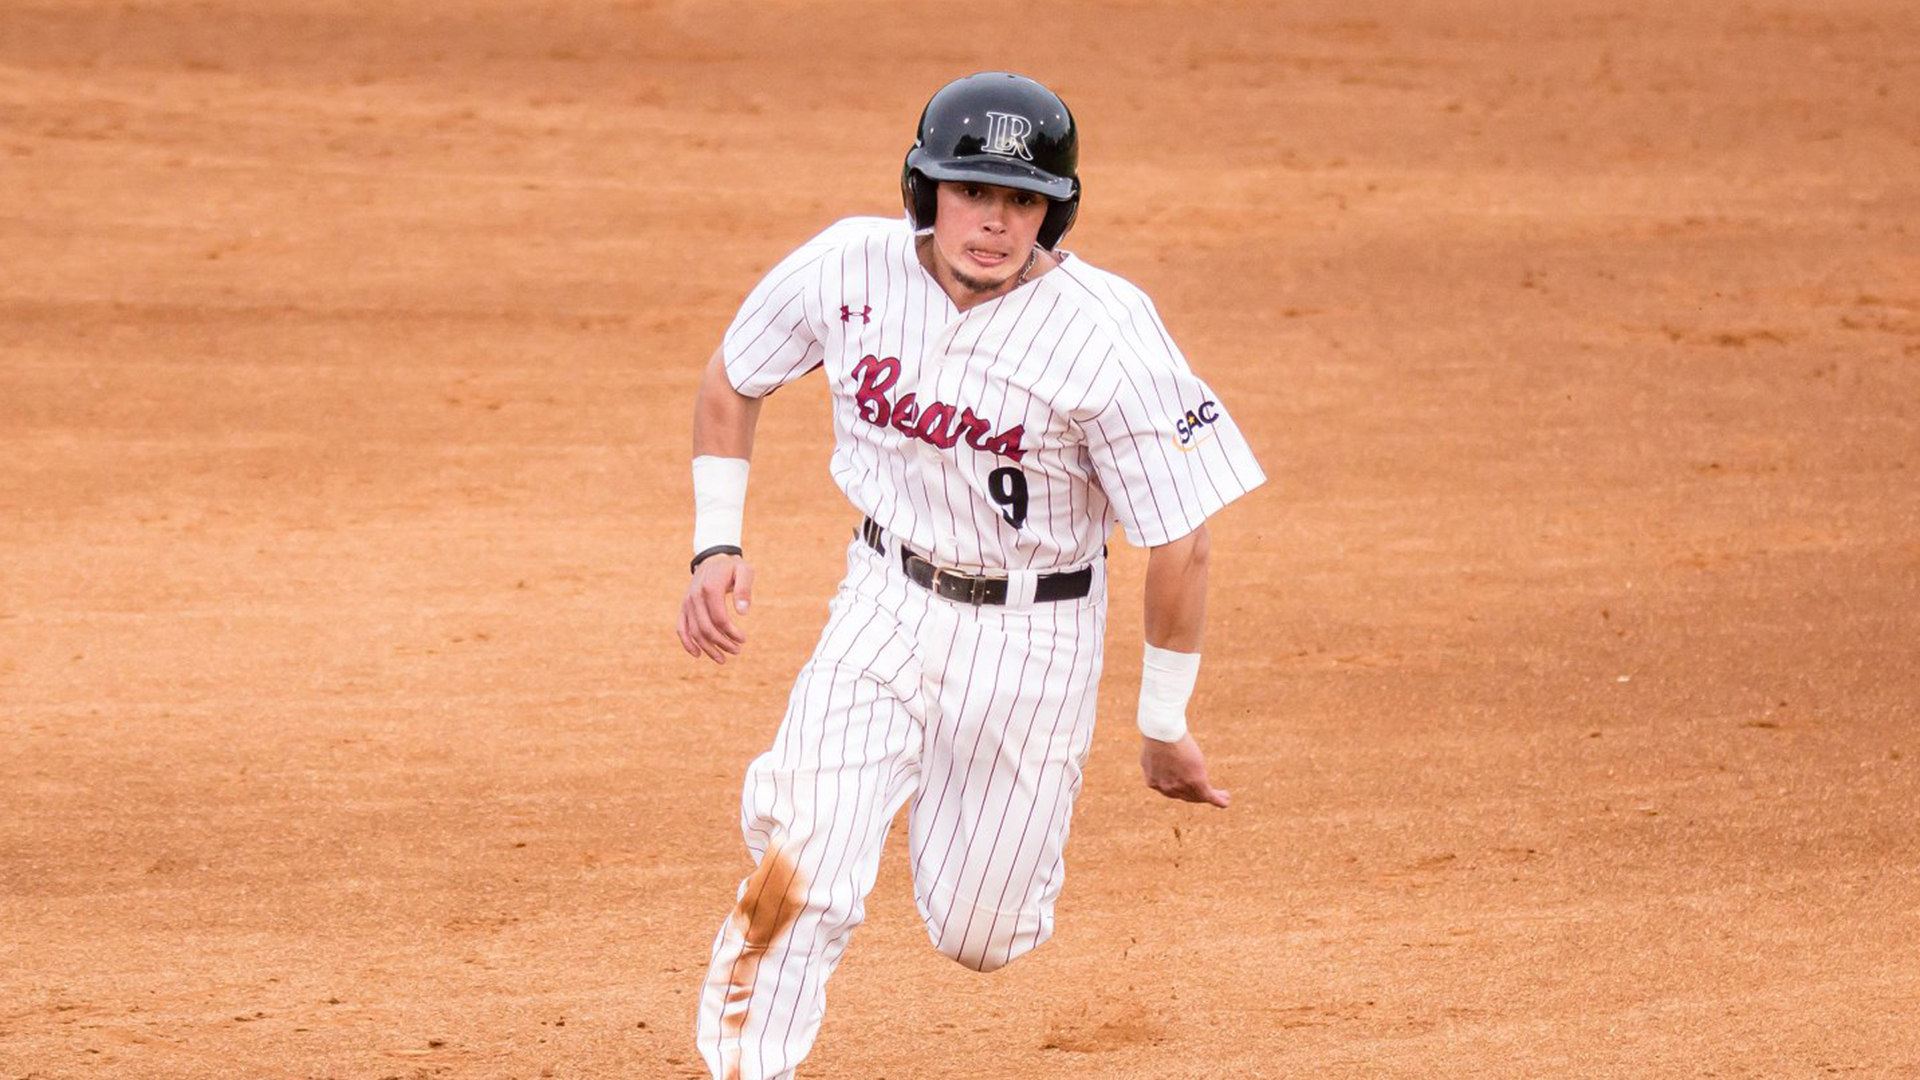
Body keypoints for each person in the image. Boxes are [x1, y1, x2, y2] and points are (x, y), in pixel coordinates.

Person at [675, 71, 1265, 1080]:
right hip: (883, 604)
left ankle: (854, 817)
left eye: (1022, 201)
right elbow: (734, 375)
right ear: (925, 191)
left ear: (1052, 212)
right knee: (805, 870)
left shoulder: (1106, 333)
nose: (994, 223)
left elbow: (1182, 538)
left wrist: (1164, 724)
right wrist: (714, 543)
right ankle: (765, 987)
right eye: (970, 191)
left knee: (981, 932)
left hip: (1034, 643)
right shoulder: (847, 269)